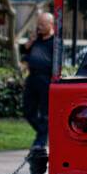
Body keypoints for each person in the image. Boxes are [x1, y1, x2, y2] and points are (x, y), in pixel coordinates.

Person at [20, 11, 55, 149]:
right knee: (28, 111)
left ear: (51, 24)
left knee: (45, 113)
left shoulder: (55, 42)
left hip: (46, 79)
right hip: (32, 78)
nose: (39, 27)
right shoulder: (36, 40)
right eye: (38, 24)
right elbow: (24, 53)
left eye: (42, 24)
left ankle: (40, 142)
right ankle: (42, 133)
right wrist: (31, 41)